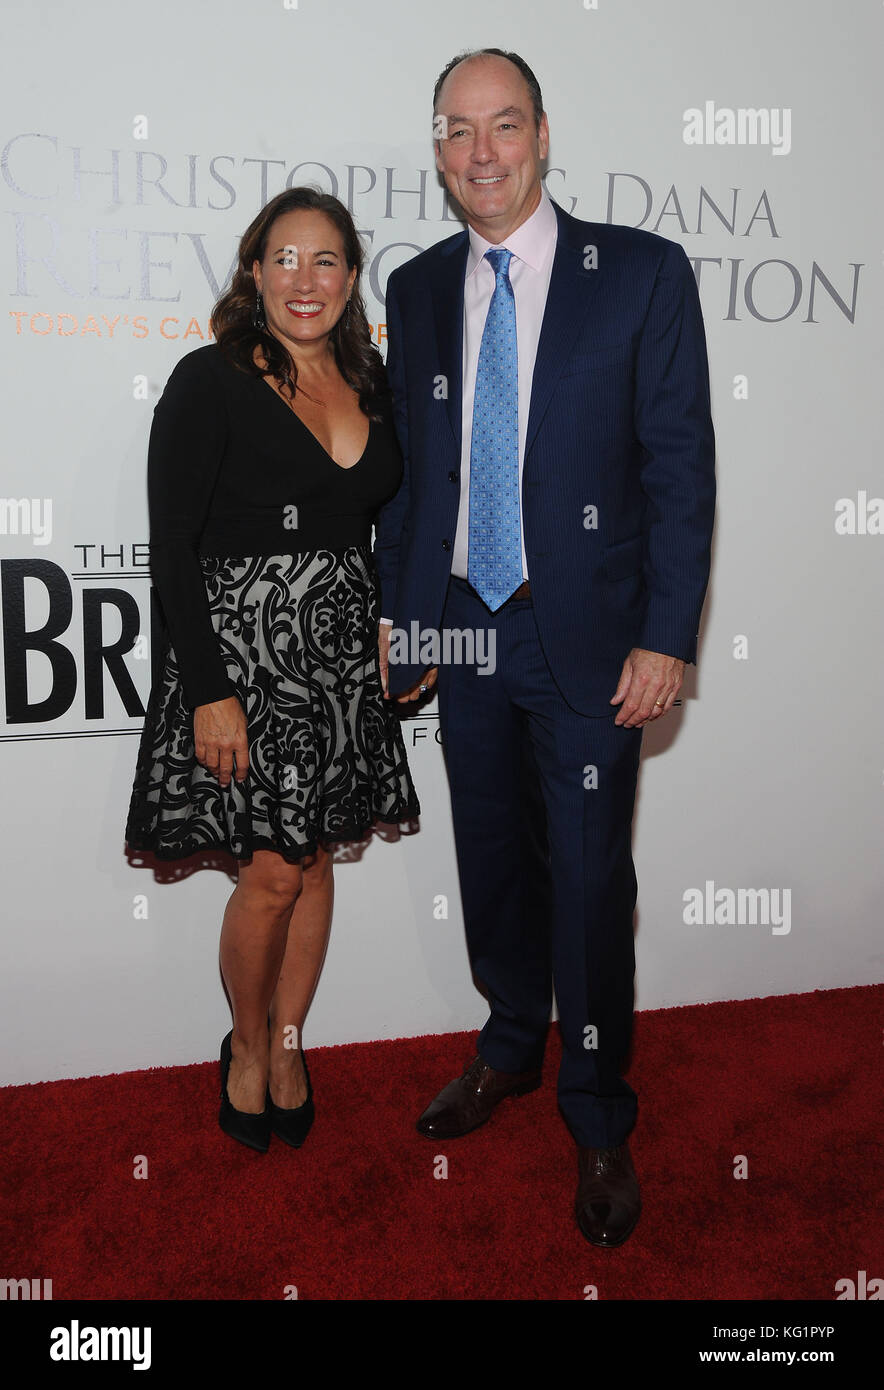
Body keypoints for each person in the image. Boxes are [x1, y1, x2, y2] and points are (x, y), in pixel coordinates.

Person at [375, 49, 715, 1246]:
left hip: (589, 637)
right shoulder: (415, 288)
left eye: (501, 125)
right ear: (436, 147)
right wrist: (402, 613)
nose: (480, 152)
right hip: (461, 623)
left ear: (540, 133)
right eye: (457, 130)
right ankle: (509, 1044)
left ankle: (596, 1110)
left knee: (585, 880)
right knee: (491, 858)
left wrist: (666, 636)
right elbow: (414, 481)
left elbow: (677, 469)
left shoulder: (637, 273)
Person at [126, 187, 420, 1153]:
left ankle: (291, 1042)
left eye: (327, 260)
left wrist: (392, 621)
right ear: (254, 272)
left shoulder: (369, 382)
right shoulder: (210, 379)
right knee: (271, 877)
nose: (306, 280)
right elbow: (172, 547)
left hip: (339, 665)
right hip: (245, 665)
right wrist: (208, 688)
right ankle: (246, 1043)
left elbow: (382, 526)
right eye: (285, 259)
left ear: (350, 279)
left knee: (317, 860)